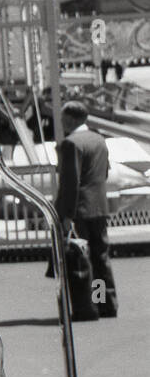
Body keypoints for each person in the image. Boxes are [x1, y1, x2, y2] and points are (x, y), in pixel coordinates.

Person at [56, 100, 118, 318]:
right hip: (99, 206)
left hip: (80, 209)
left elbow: (71, 183)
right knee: (100, 258)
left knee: (82, 258)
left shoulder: (71, 143)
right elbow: (105, 172)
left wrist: (66, 215)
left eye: (64, 118)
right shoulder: (99, 140)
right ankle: (104, 302)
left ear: (71, 119)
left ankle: (87, 307)